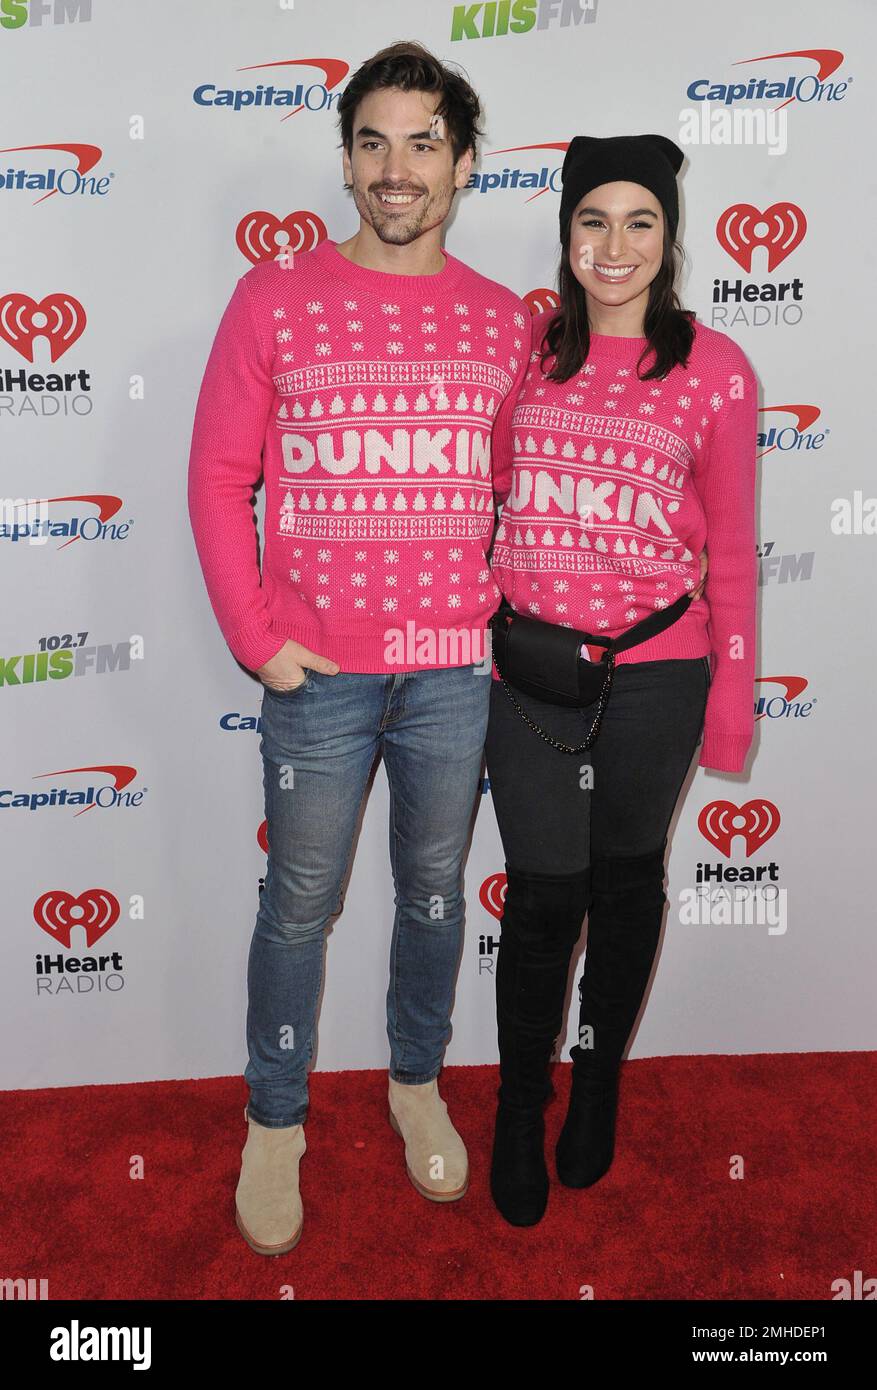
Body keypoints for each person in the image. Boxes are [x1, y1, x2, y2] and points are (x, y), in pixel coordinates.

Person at [187, 41, 529, 1255]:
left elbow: (513, 490)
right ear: (345, 161)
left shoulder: (503, 323)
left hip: (452, 677)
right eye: (373, 142)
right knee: (298, 907)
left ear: (463, 164)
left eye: (423, 143)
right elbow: (218, 477)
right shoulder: (272, 298)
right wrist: (259, 642)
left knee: (434, 896)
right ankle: (274, 1119)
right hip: (317, 678)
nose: (396, 168)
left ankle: (415, 1081)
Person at [484, 134, 758, 1225]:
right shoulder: (522, 351)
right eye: (591, 220)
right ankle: (519, 1104)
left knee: (626, 884)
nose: (614, 244)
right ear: (565, 234)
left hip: (659, 675)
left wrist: (728, 711)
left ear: (669, 237)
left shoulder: (715, 370)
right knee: (542, 898)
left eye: (639, 221)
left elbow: (730, 556)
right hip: (530, 675)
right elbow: (475, 493)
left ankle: (594, 1078)